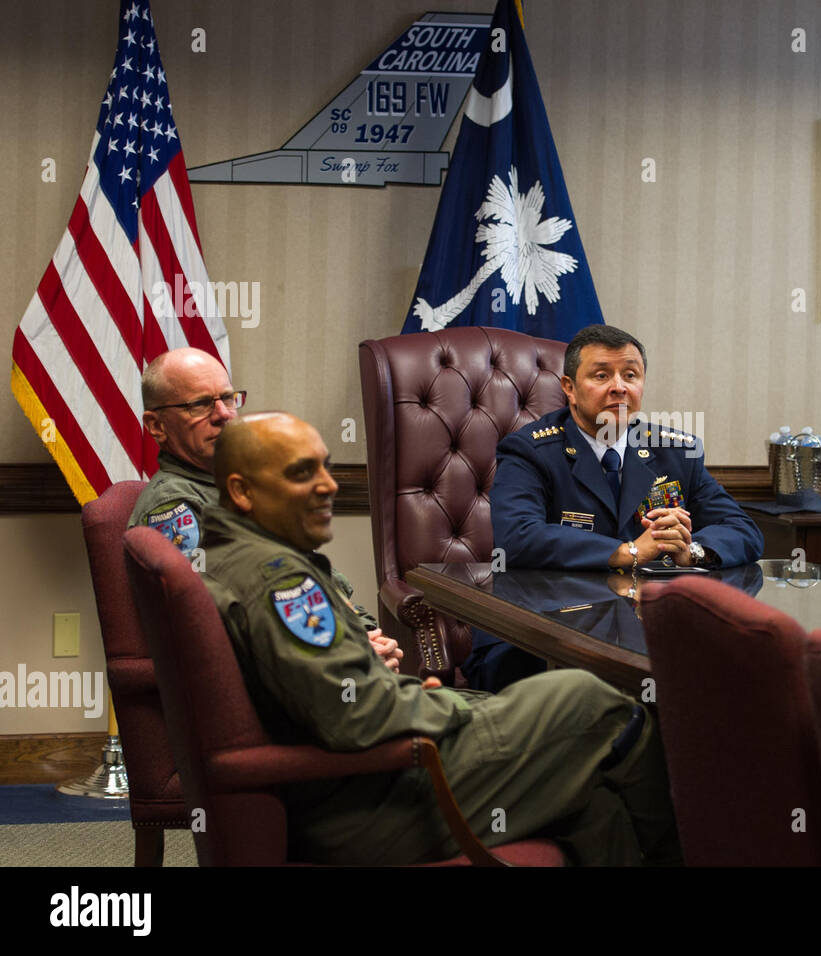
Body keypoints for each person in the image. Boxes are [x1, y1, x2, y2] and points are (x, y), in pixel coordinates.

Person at [199, 412, 680, 866]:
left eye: (326, 466)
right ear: (241, 491)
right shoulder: (275, 580)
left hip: (360, 777)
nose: (329, 485)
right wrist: (452, 708)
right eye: (303, 473)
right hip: (370, 800)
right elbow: (355, 715)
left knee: (595, 801)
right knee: (589, 700)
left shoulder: (237, 554)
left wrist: (417, 696)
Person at [129, 348, 400, 671]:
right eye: (200, 405)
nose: (224, 414)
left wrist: (369, 634)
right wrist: (348, 648)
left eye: (228, 399)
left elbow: (316, 582)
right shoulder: (174, 507)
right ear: (157, 426)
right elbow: (216, 621)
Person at [491, 324, 763, 573]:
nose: (619, 387)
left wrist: (691, 551)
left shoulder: (676, 452)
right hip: (559, 610)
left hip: (651, 613)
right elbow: (516, 538)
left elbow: (744, 531)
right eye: (601, 375)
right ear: (569, 388)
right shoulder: (530, 451)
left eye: (630, 375)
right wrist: (628, 552)